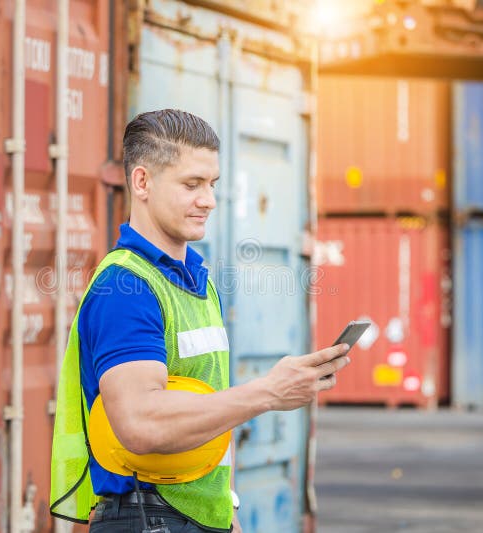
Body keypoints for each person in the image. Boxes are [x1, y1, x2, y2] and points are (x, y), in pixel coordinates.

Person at [50, 109, 350, 533]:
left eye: (212, 184)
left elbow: (204, 409)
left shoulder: (196, 280)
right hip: (145, 518)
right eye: (191, 185)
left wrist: (225, 509)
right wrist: (268, 392)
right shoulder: (125, 288)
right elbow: (141, 423)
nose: (208, 200)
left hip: (198, 516)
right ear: (142, 183)